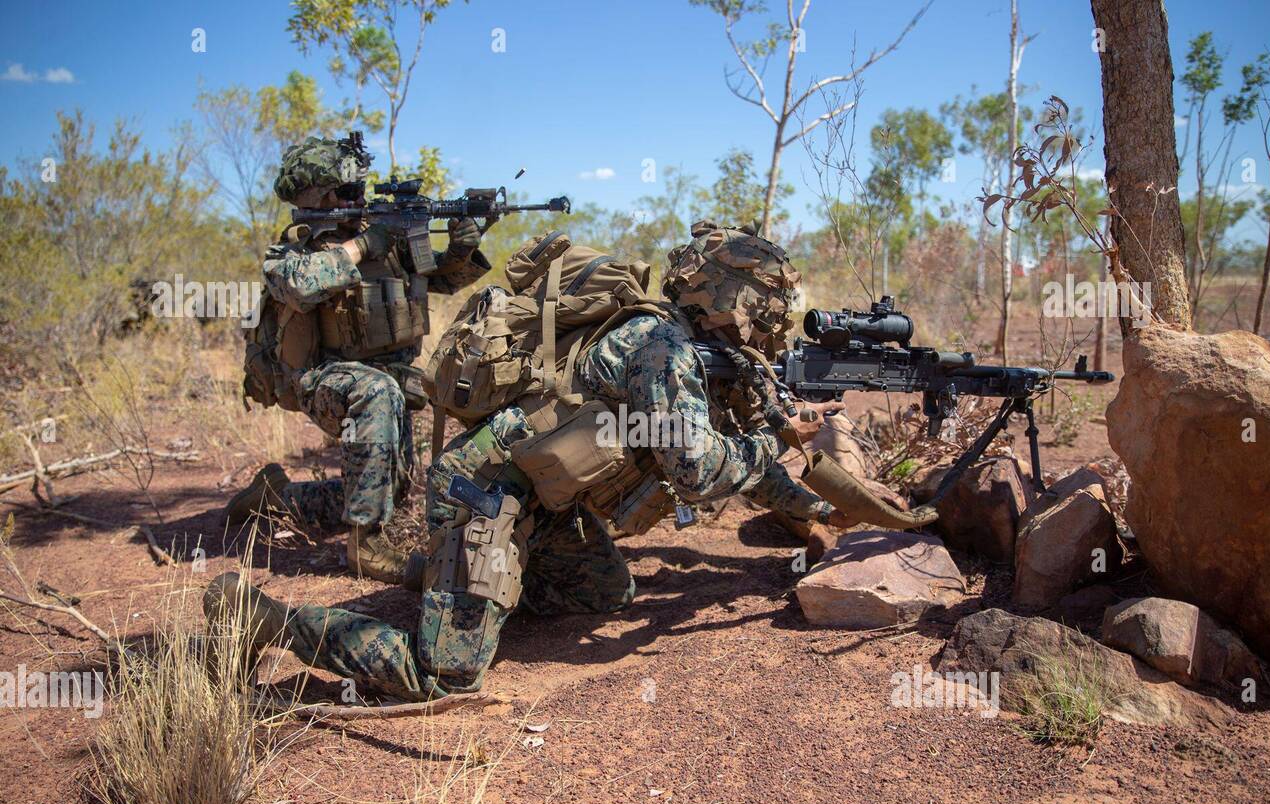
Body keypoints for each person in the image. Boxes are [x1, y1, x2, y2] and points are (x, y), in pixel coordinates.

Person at [205, 222, 853, 701]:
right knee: (444, 678)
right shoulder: (662, 348)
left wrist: (822, 505)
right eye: (769, 307)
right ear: (739, 300)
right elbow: (696, 468)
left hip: (540, 503)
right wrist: (775, 442)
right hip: (483, 494)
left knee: (604, 592)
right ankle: (264, 618)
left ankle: (448, 581)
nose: (774, 323)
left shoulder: (702, 357)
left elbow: (745, 465)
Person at [225, 133, 489, 584]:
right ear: (318, 197)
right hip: (320, 380)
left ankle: (275, 497)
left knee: (396, 485)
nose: (360, 199)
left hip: (384, 378)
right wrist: (367, 243)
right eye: (349, 193)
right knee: (376, 390)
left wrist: (464, 247)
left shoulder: (387, 240)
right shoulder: (296, 249)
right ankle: (364, 545)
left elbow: (441, 280)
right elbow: (296, 284)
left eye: (361, 189)